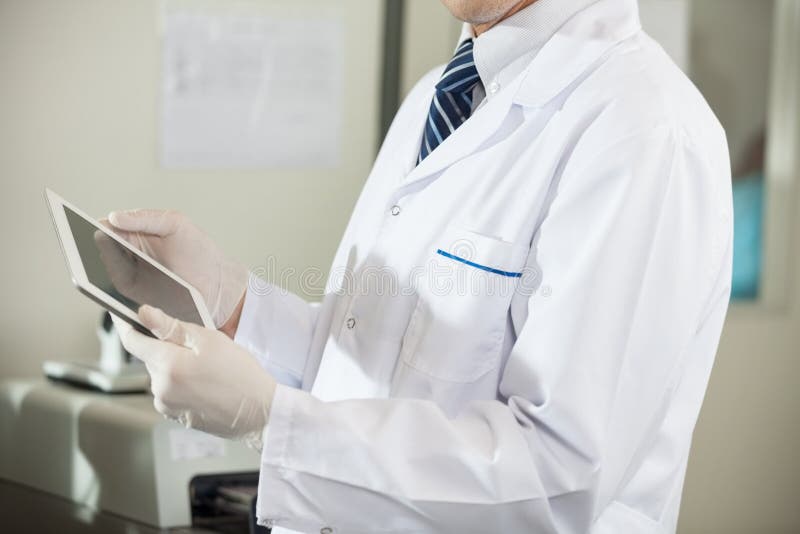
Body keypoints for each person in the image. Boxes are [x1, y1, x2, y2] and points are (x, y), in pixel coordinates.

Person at [108, 0, 733, 532]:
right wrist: (230, 299)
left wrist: (274, 421)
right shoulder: (436, 97)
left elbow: (556, 480)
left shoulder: (643, 130)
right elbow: (380, 361)